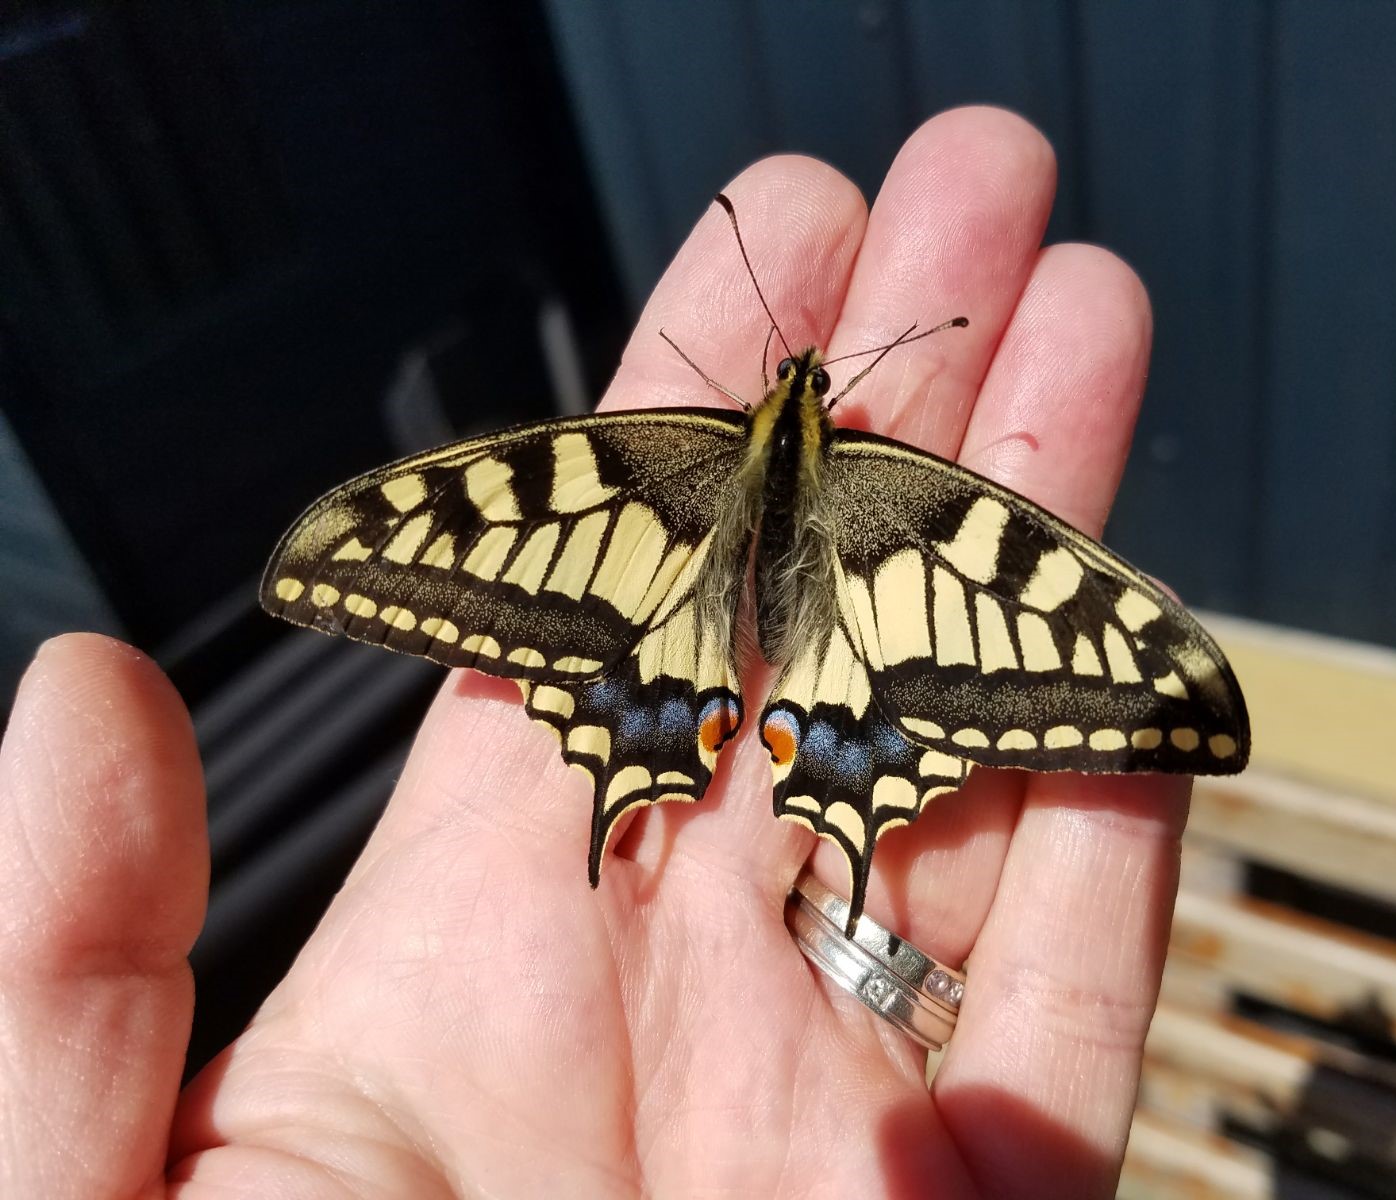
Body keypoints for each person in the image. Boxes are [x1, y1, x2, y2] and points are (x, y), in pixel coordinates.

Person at [0, 107, 1186, 1198]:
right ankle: (804, 757)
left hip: (667, 652)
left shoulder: (643, 460)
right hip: (832, 682)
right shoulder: (900, 498)